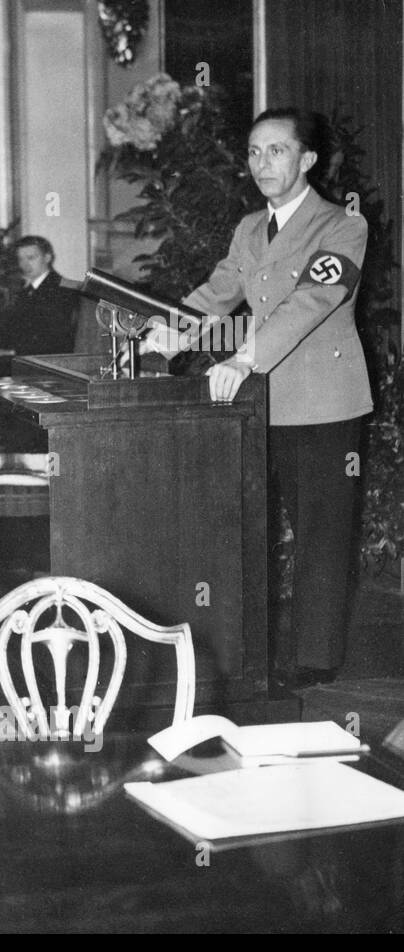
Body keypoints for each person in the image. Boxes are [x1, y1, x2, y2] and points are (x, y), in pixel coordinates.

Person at [140, 107, 372, 691]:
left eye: (276, 151)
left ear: (308, 160)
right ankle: (256, 650)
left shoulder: (342, 226)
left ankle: (316, 659)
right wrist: (168, 336)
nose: (262, 163)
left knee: (321, 535)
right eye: (253, 152)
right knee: (252, 529)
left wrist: (244, 358)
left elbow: (312, 301)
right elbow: (217, 293)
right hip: (262, 404)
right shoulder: (249, 228)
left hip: (323, 404)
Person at [0, 236, 79, 357]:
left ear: (47, 258)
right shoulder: (25, 292)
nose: (24, 265)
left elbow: (58, 340)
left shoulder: (64, 291)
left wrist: (13, 352)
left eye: (30, 258)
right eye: (20, 259)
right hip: (23, 363)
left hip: (47, 366)